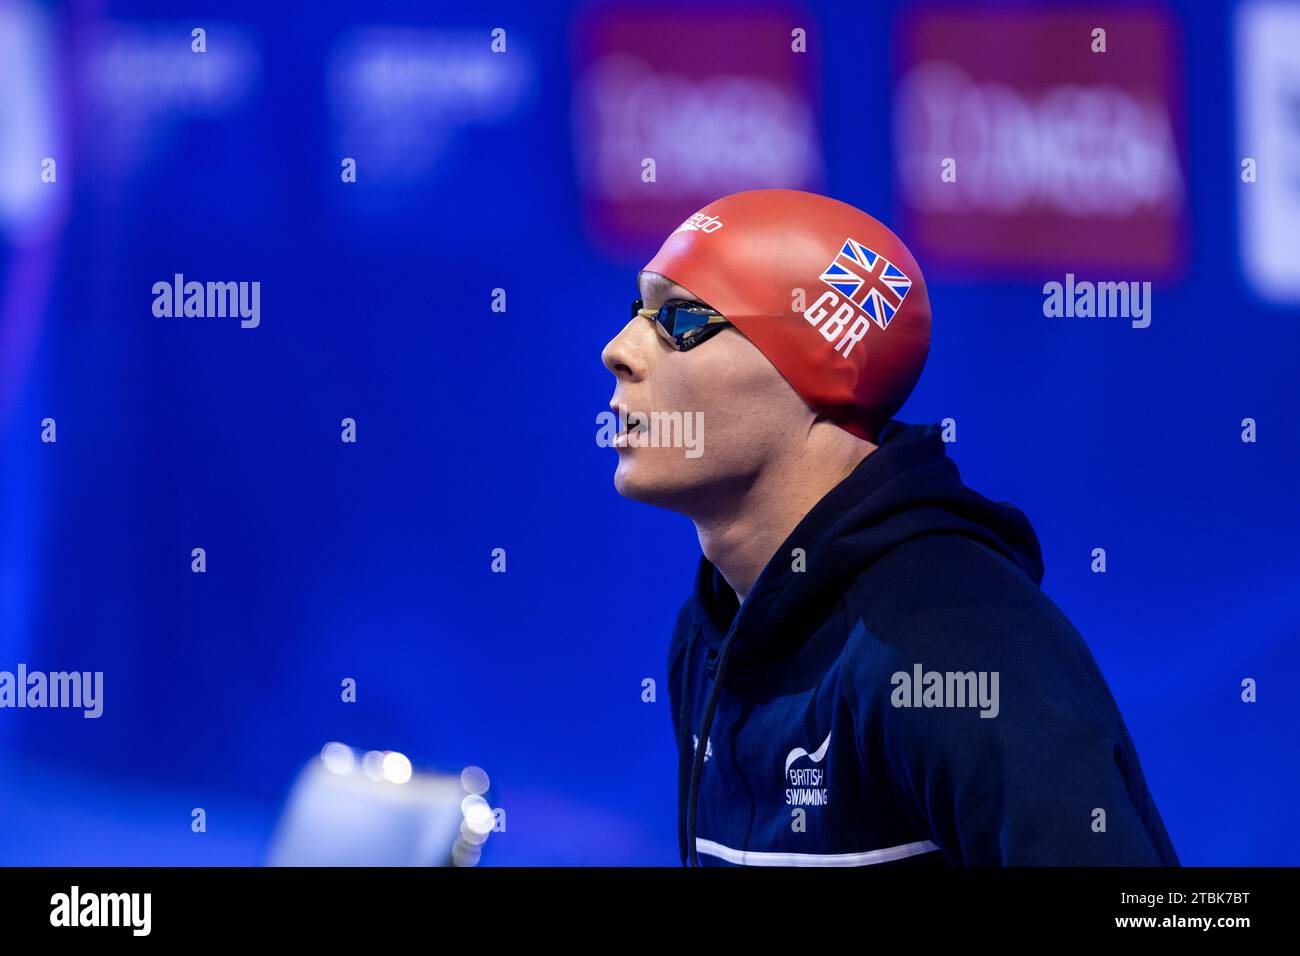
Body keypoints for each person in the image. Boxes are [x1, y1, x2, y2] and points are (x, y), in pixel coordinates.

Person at [600, 188, 1180, 867]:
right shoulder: (707, 637)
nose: (619, 350)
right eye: (637, 311)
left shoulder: (949, 643)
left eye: (680, 317)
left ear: (823, 364)